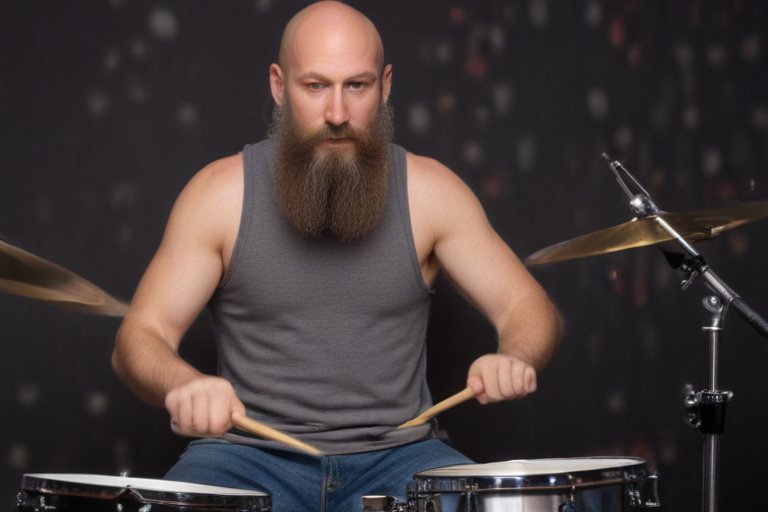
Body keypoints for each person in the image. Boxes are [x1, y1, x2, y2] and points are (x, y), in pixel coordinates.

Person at [112, 2, 562, 510]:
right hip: (245, 457)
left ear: (386, 86)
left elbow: (527, 305)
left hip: (400, 457)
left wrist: (515, 356)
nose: (337, 114)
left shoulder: (432, 192)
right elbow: (139, 336)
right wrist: (184, 384)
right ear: (279, 87)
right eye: (315, 86)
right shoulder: (219, 195)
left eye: (357, 85)